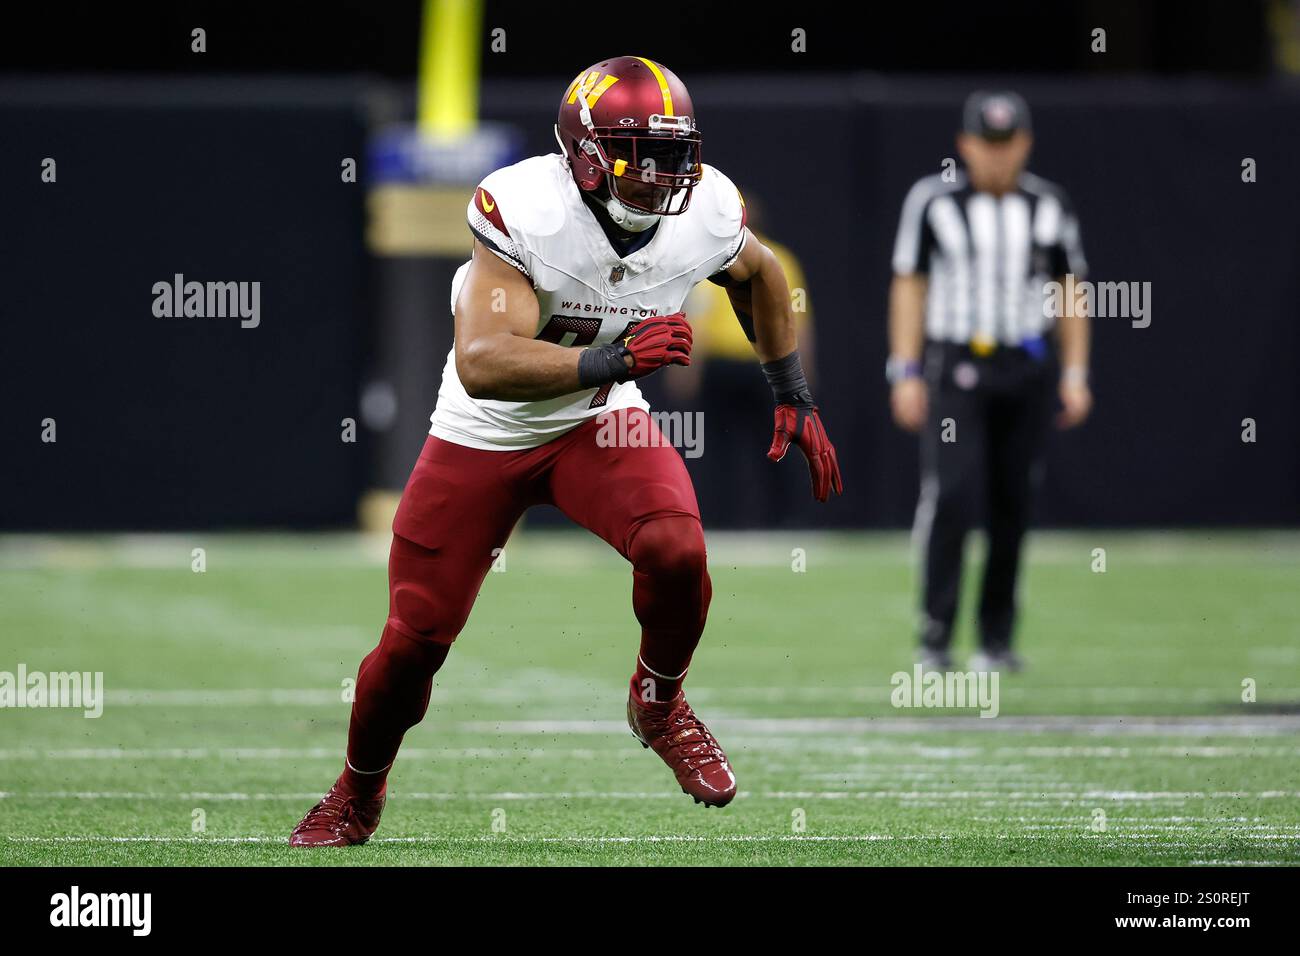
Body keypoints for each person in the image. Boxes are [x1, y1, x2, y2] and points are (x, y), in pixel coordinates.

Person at [291, 55, 842, 846]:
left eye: (675, 154)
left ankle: (659, 701)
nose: (665, 176)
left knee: (677, 548)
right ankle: (357, 790)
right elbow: (485, 364)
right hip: (489, 431)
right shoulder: (526, 208)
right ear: (586, 154)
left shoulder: (708, 209)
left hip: (596, 419)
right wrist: (616, 359)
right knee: (413, 641)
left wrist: (791, 391)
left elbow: (760, 273)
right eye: (640, 155)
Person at [887, 90, 1091, 672]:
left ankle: (996, 639)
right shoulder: (933, 201)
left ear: (1024, 145)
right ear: (965, 146)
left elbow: (1071, 289)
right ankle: (935, 634)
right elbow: (909, 285)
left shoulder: (1049, 204)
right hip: (957, 366)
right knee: (950, 495)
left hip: (1026, 366)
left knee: (1014, 500)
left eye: (1008, 145)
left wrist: (1075, 373)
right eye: (987, 145)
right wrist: (904, 370)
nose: (998, 158)